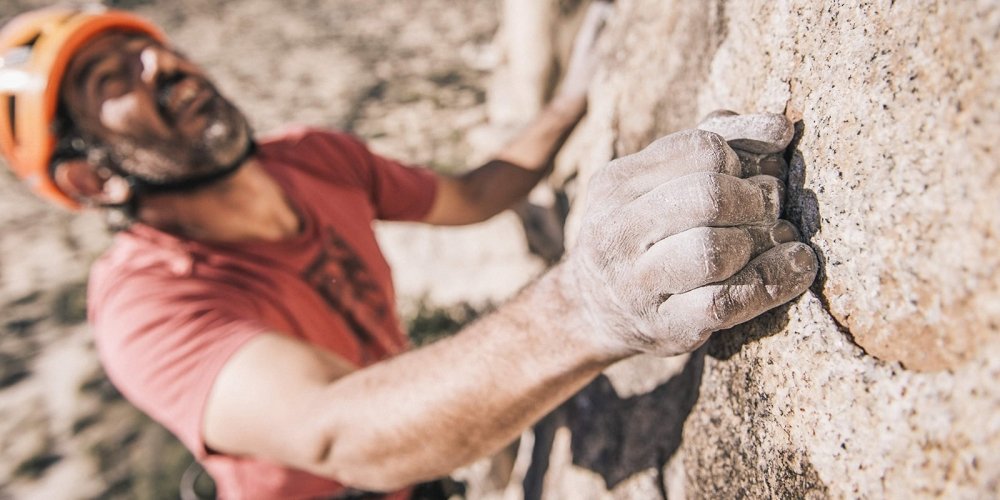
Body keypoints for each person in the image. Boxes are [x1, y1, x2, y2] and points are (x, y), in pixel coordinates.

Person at [0, 5, 817, 499]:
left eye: (148, 47)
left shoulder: (312, 159)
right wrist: (589, 306)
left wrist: (577, 91)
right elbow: (337, 435)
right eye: (113, 82)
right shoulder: (147, 304)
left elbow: (473, 194)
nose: (162, 63)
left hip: (423, 467)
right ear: (92, 179)